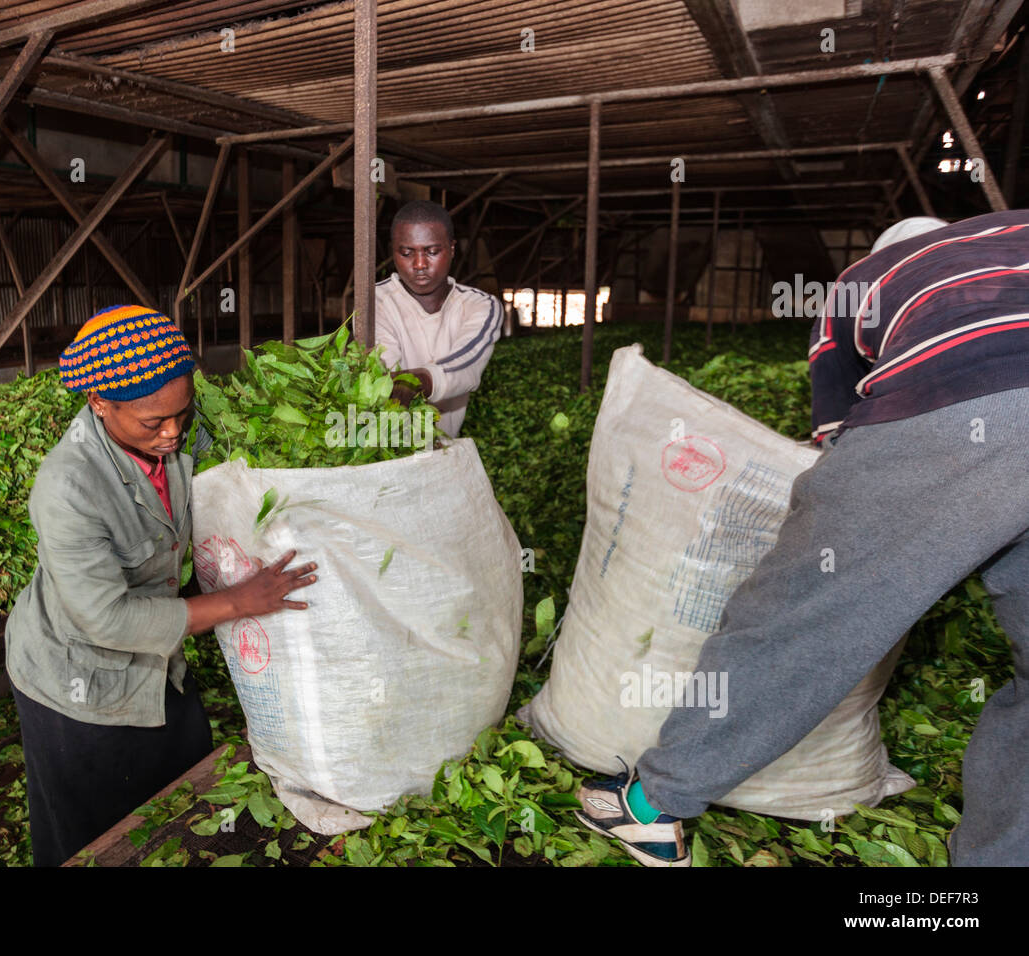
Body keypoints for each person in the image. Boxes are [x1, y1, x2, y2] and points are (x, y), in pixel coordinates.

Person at [574, 211, 1029, 867]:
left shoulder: (859, 284)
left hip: (967, 397)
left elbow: (840, 439)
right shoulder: (1004, 235)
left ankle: (654, 803)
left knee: (801, 614)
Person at [4, 304, 319, 866]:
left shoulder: (176, 437)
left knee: (176, 799)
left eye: (180, 412)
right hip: (79, 679)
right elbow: (107, 619)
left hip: (158, 655)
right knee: (92, 835)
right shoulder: (67, 487)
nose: (172, 432)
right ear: (99, 404)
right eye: (153, 422)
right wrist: (236, 602)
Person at [374, 200, 503, 438]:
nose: (420, 264)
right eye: (406, 253)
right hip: (385, 441)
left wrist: (414, 381)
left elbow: (465, 365)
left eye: (432, 252)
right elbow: (382, 372)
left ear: (452, 249)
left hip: (445, 444)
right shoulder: (375, 301)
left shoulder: (479, 306)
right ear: (393, 251)